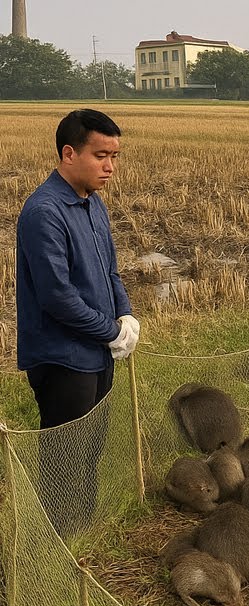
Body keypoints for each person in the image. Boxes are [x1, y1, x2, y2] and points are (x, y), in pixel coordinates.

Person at [15, 108, 137, 535]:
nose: (110, 166)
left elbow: (109, 270)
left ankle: (84, 533)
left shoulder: (92, 204)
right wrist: (111, 332)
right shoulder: (44, 212)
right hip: (63, 357)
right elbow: (56, 297)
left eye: (116, 156)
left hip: (98, 353)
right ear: (69, 153)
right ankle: (58, 543)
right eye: (101, 155)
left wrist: (124, 314)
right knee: (65, 456)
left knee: (91, 449)